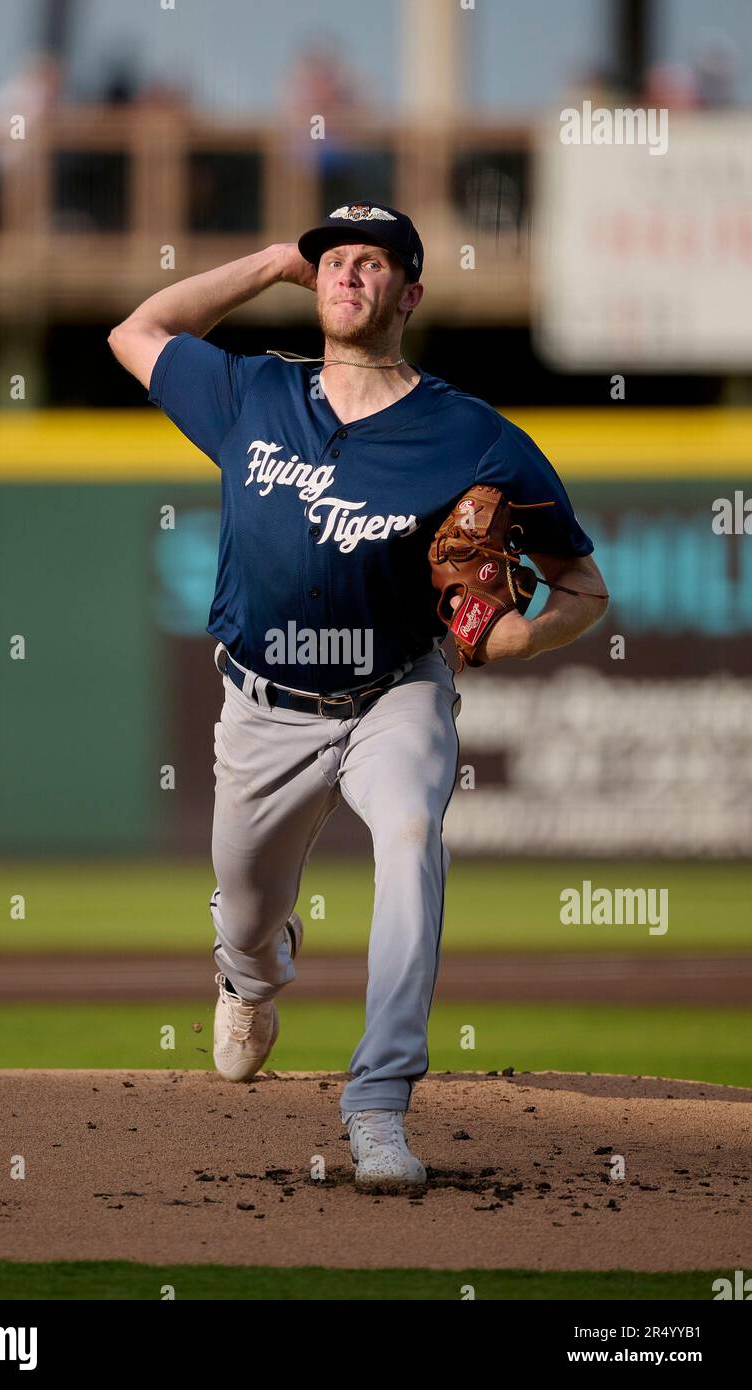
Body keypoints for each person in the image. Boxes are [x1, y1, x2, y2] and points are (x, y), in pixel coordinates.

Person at [108, 201, 608, 1193]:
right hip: (262, 704)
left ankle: (377, 1104)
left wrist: (516, 632)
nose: (345, 273)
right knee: (245, 916)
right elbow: (138, 333)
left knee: (412, 839)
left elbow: (585, 590)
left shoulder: (472, 436)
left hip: (396, 692)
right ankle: (252, 975)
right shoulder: (250, 394)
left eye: (371, 262)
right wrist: (267, 260)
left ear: (407, 294)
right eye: (331, 259)